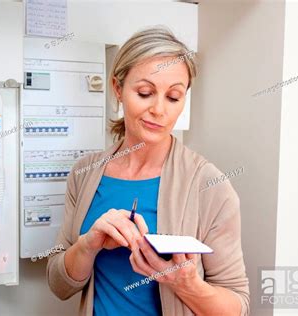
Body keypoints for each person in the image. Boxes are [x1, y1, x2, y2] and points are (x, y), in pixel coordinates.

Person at [47, 26, 250, 316]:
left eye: (173, 97)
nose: (159, 110)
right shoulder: (85, 173)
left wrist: (186, 283)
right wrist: (87, 245)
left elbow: (238, 306)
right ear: (118, 89)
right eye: (145, 92)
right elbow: (59, 285)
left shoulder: (209, 184)